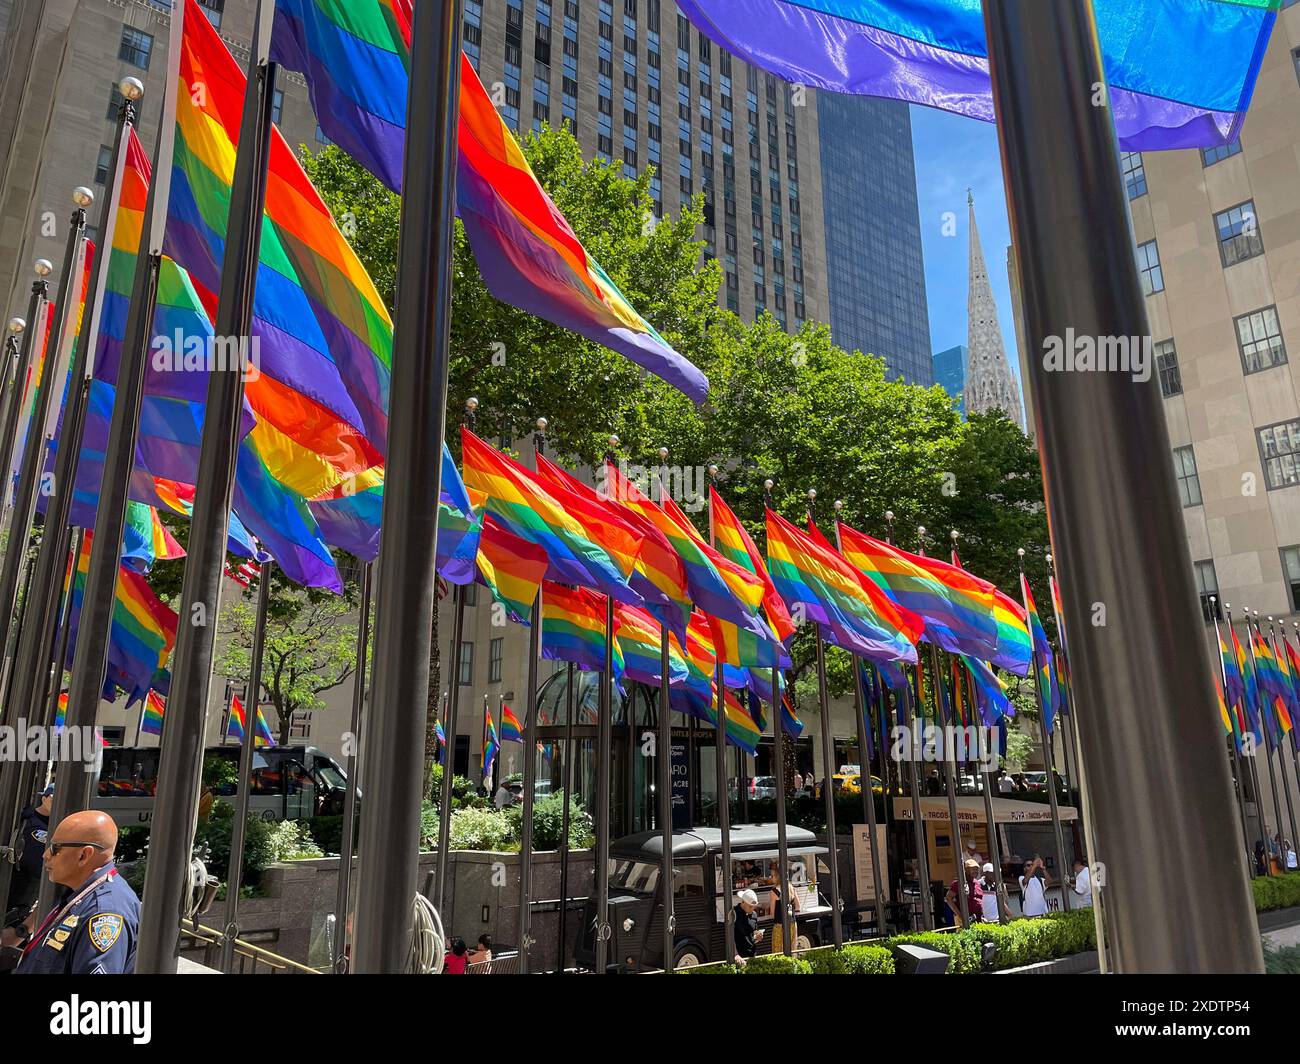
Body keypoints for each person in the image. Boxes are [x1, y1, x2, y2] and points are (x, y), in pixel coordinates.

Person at [15, 809, 140, 974]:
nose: (46, 855)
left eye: (55, 848)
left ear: (84, 855)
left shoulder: (104, 912)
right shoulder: (85, 894)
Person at [2, 785, 52, 949]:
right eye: (53, 797)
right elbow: (51, 881)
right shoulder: (36, 830)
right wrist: (21, 931)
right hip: (10, 919)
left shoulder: (25, 818)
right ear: (44, 798)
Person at [767, 872, 802, 954]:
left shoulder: (774, 891)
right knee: (792, 950)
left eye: (772, 876)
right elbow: (798, 907)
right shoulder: (791, 889)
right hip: (792, 923)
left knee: (778, 951)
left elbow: (772, 913)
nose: (771, 878)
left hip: (780, 924)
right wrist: (788, 909)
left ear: (777, 877)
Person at [945, 859, 985, 927]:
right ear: (966, 870)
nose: (975, 871)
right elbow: (948, 898)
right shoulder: (959, 883)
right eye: (973, 869)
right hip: (965, 919)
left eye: (976, 869)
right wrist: (960, 915)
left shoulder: (977, 883)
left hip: (978, 918)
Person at [732, 889, 764, 966]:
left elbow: (754, 932)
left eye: (754, 907)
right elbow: (729, 936)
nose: (752, 909)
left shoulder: (754, 915)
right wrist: (735, 954)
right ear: (743, 902)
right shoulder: (734, 913)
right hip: (738, 955)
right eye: (750, 906)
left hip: (752, 954)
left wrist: (758, 936)